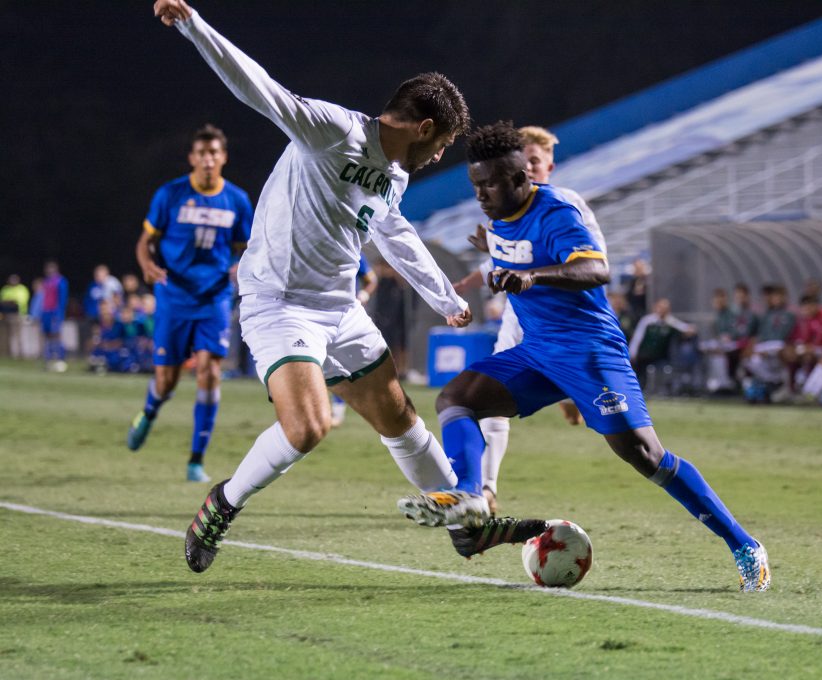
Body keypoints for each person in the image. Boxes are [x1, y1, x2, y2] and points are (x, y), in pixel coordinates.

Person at [152, 0, 528, 575]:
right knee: (308, 426)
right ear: (424, 128)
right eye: (444, 143)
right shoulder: (335, 130)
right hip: (279, 303)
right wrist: (194, 26)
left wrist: (445, 298)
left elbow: (394, 233)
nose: (441, 154)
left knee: (399, 415)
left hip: (339, 308)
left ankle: (461, 523)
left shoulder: (395, 175)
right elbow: (261, 90)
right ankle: (222, 503)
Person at [399, 122, 770, 591]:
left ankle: (744, 544)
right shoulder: (499, 218)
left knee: (645, 455)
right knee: (457, 398)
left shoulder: (556, 210)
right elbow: (511, 249)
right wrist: (493, 254)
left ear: (522, 179)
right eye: (476, 185)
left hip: (590, 351)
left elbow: (595, 268)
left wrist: (533, 277)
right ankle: (471, 496)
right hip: (536, 351)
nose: (482, 194)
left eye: (491, 183)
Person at [452, 124, 607, 513]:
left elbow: (593, 262)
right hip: (520, 318)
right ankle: (485, 489)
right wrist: (467, 283)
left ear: (548, 166)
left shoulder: (565, 204)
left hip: (565, 322)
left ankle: (566, 388)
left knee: (626, 436)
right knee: (483, 398)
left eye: (535, 161)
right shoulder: (505, 211)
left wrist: (535, 275)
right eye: (525, 159)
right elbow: (501, 260)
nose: (530, 168)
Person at [126, 123, 254, 483]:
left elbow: (247, 248)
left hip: (213, 298)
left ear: (223, 157)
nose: (208, 159)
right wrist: (147, 265)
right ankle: (149, 412)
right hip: (173, 298)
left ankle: (196, 459)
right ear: (192, 158)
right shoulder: (171, 194)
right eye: (202, 153)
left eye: (214, 153)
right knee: (166, 381)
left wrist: (239, 269)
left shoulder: (238, 201)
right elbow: (145, 241)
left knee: (210, 371)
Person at [331, 253, 378, 427]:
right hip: (315, 315)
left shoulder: (353, 251)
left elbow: (371, 280)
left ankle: (338, 410)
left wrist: (364, 295)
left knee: (342, 363)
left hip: (346, 317)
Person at [629, 298, 696, 391]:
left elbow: (685, 328)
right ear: (655, 308)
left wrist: (690, 329)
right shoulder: (647, 321)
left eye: (666, 308)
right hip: (644, 355)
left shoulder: (670, 321)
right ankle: (639, 389)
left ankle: (663, 389)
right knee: (640, 368)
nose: (663, 310)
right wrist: (632, 353)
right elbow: (637, 337)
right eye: (661, 307)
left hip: (661, 356)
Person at [39, 260, 69, 372]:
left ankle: (60, 358)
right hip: (46, 312)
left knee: (56, 335)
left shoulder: (61, 281)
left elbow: (62, 299)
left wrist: (58, 314)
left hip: (55, 312)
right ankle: (48, 360)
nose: (49, 271)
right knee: (47, 336)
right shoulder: (46, 281)